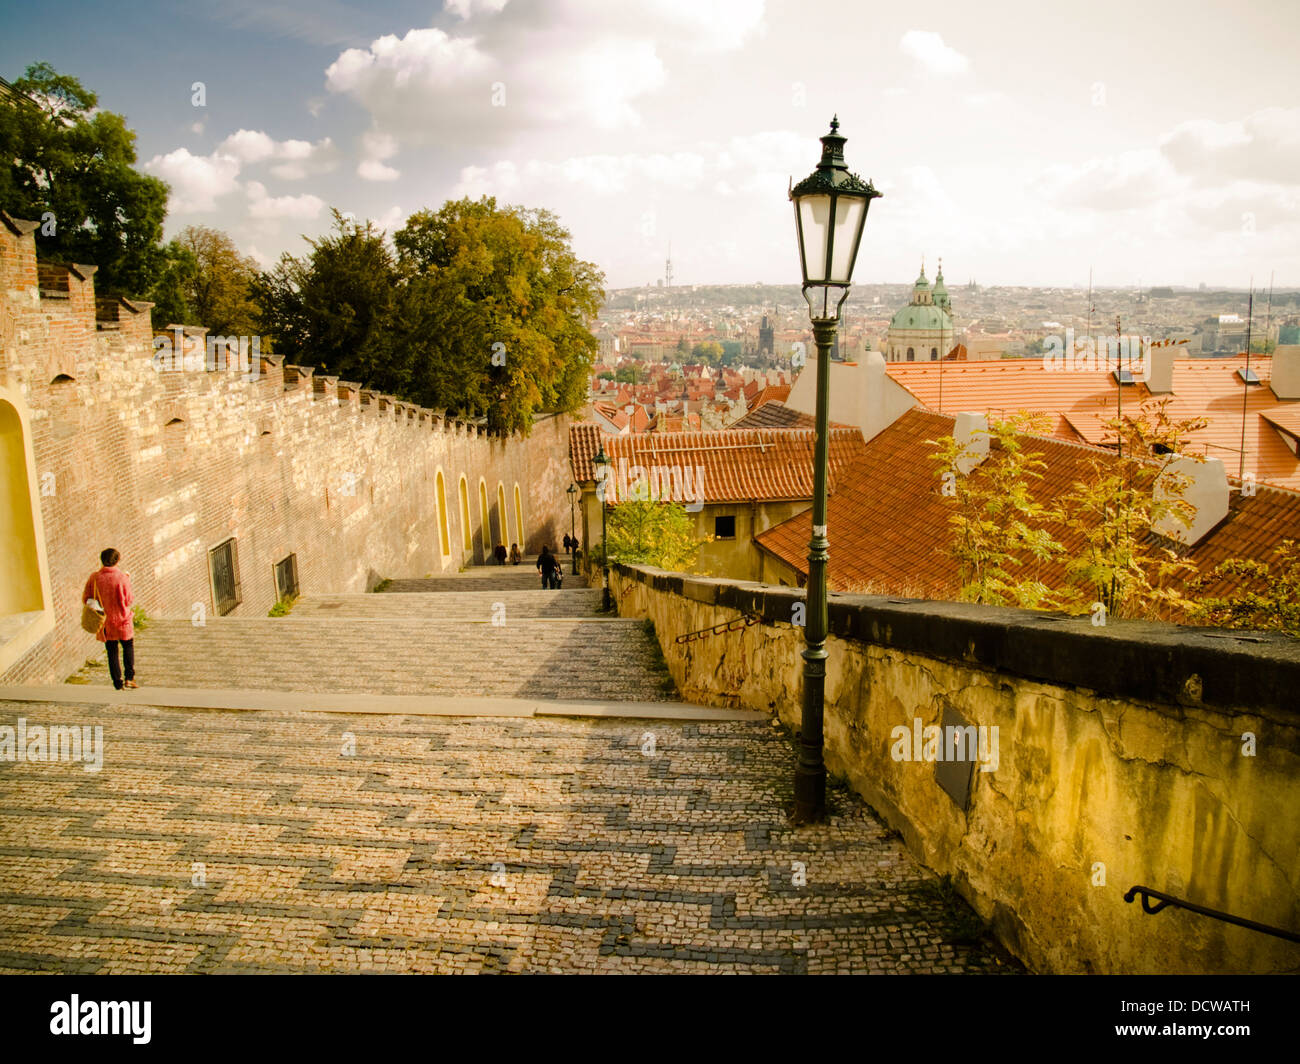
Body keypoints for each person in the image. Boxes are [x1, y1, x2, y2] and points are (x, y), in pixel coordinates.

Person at [83, 547, 137, 690]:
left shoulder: (94, 578)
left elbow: (86, 598)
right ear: (117, 560)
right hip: (122, 619)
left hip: (105, 622)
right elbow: (128, 600)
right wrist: (127, 580)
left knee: (112, 651)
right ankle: (129, 678)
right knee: (128, 647)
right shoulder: (122, 577)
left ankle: (117, 682)